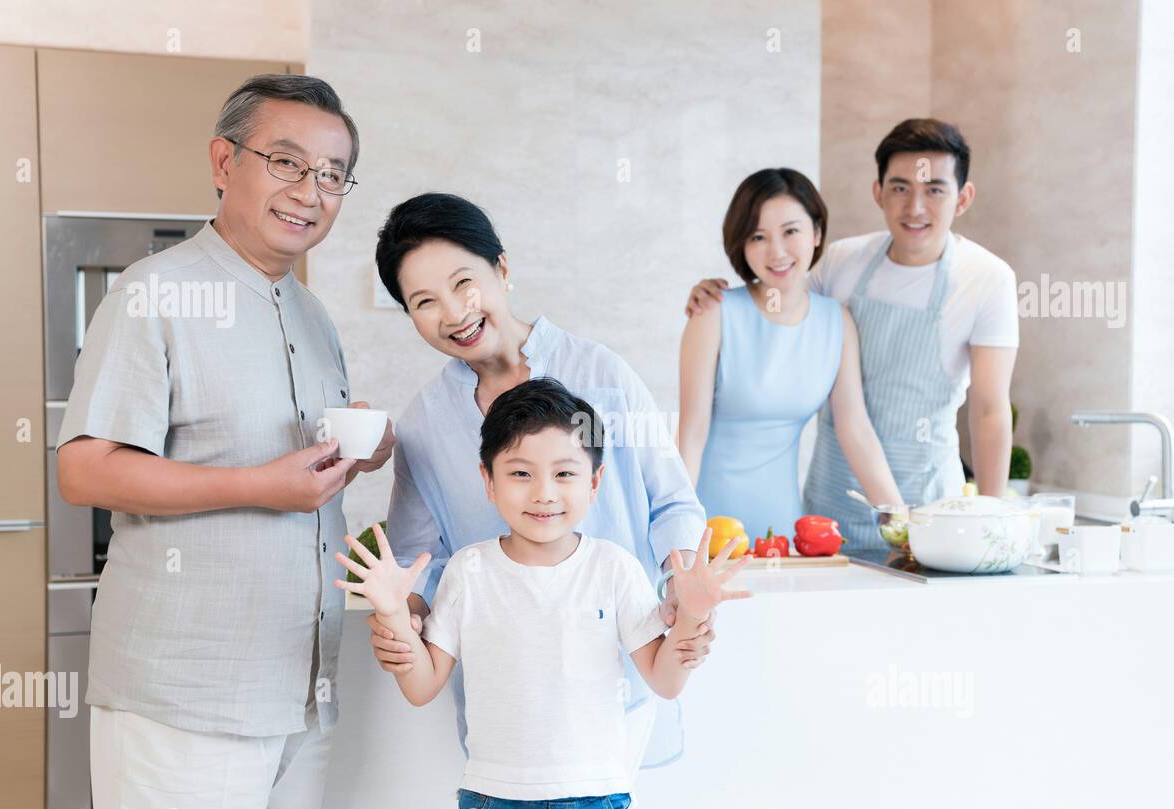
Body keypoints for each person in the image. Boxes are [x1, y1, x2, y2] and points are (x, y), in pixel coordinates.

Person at [56, 74, 392, 809]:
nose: (310, 191)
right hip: (189, 696)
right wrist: (258, 485)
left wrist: (359, 451)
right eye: (285, 161)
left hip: (299, 691)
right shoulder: (154, 295)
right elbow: (85, 468)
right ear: (222, 160)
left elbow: (293, 463)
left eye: (332, 174)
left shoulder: (311, 317)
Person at [338, 378, 751, 809]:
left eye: (564, 473)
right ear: (488, 481)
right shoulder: (468, 572)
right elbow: (421, 685)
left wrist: (693, 616)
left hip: (599, 808)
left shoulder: (615, 568)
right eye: (519, 473)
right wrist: (391, 611)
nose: (543, 493)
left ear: (594, 483)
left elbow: (664, 680)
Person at [370, 193, 711, 774]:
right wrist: (403, 618)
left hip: (620, 682)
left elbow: (672, 501)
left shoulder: (601, 376)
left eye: (464, 283)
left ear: (501, 269)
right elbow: (418, 562)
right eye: (424, 302)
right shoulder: (426, 422)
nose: (453, 313)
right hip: (512, 709)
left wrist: (681, 584)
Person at [686, 120, 1018, 549]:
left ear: (963, 197)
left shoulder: (987, 279)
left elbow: (990, 411)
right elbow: (779, 302)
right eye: (900, 188)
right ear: (878, 192)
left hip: (927, 507)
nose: (915, 207)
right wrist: (712, 299)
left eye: (935, 189)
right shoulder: (843, 262)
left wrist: (987, 524)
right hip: (826, 512)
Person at [676, 168, 902, 542]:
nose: (776, 251)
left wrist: (898, 517)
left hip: (782, 529)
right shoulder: (714, 313)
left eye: (790, 231)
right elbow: (691, 434)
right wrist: (677, 529)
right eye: (758, 236)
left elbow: (856, 429)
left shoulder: (837, 322)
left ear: (816, 232)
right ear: (741, 245)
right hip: (707, 527)